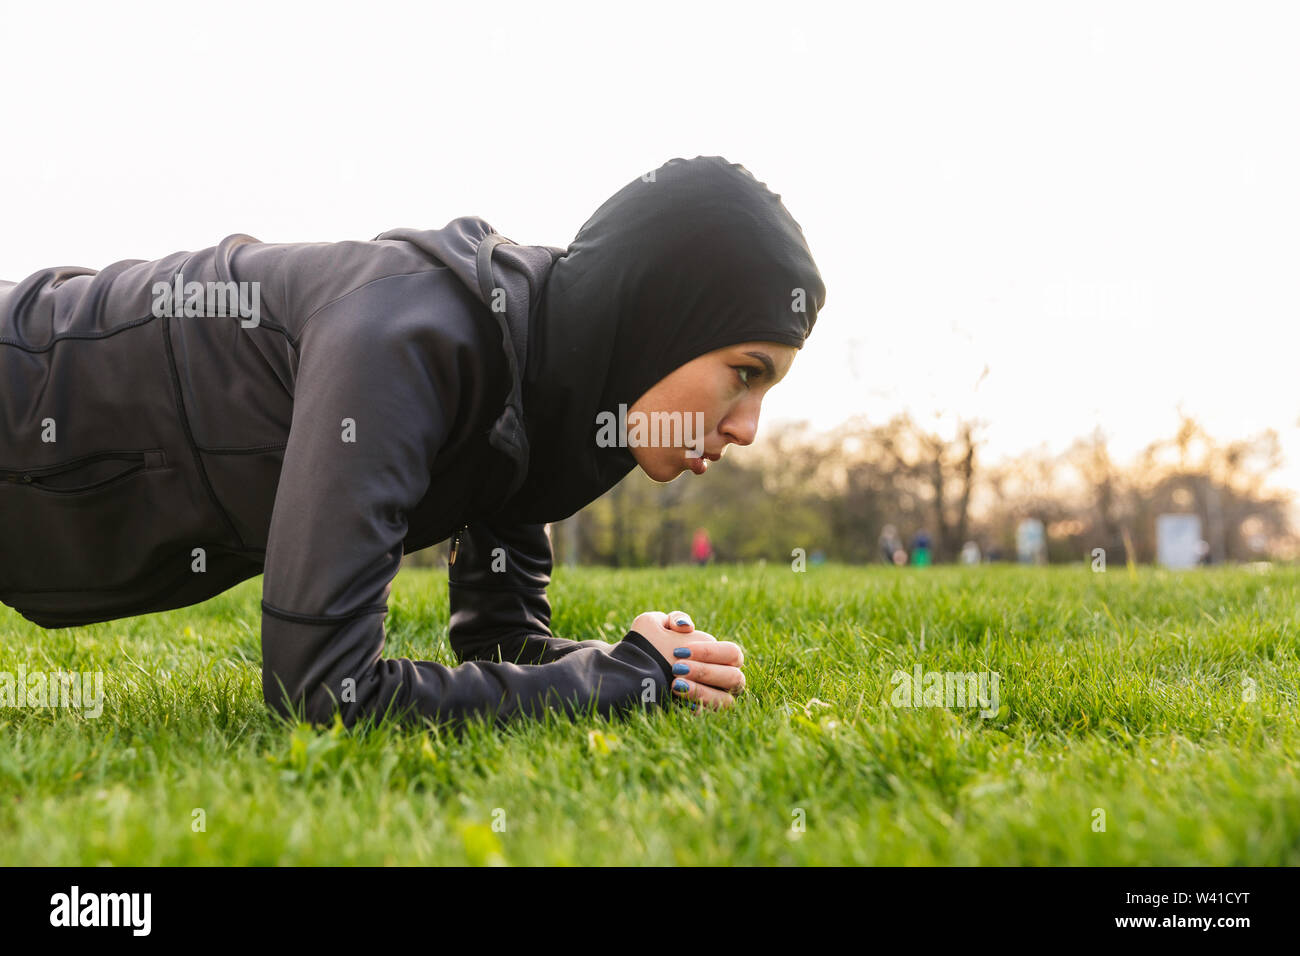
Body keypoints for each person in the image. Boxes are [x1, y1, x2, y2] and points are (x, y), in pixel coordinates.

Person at [0, 156, 826, 731]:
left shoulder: (543, 380)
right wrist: (622, 681)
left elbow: (499, 642)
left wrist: (647, 661)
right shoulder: (408, 339)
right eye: (744, 372)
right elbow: (326, 693)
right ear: (659, 315)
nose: (747, 427)